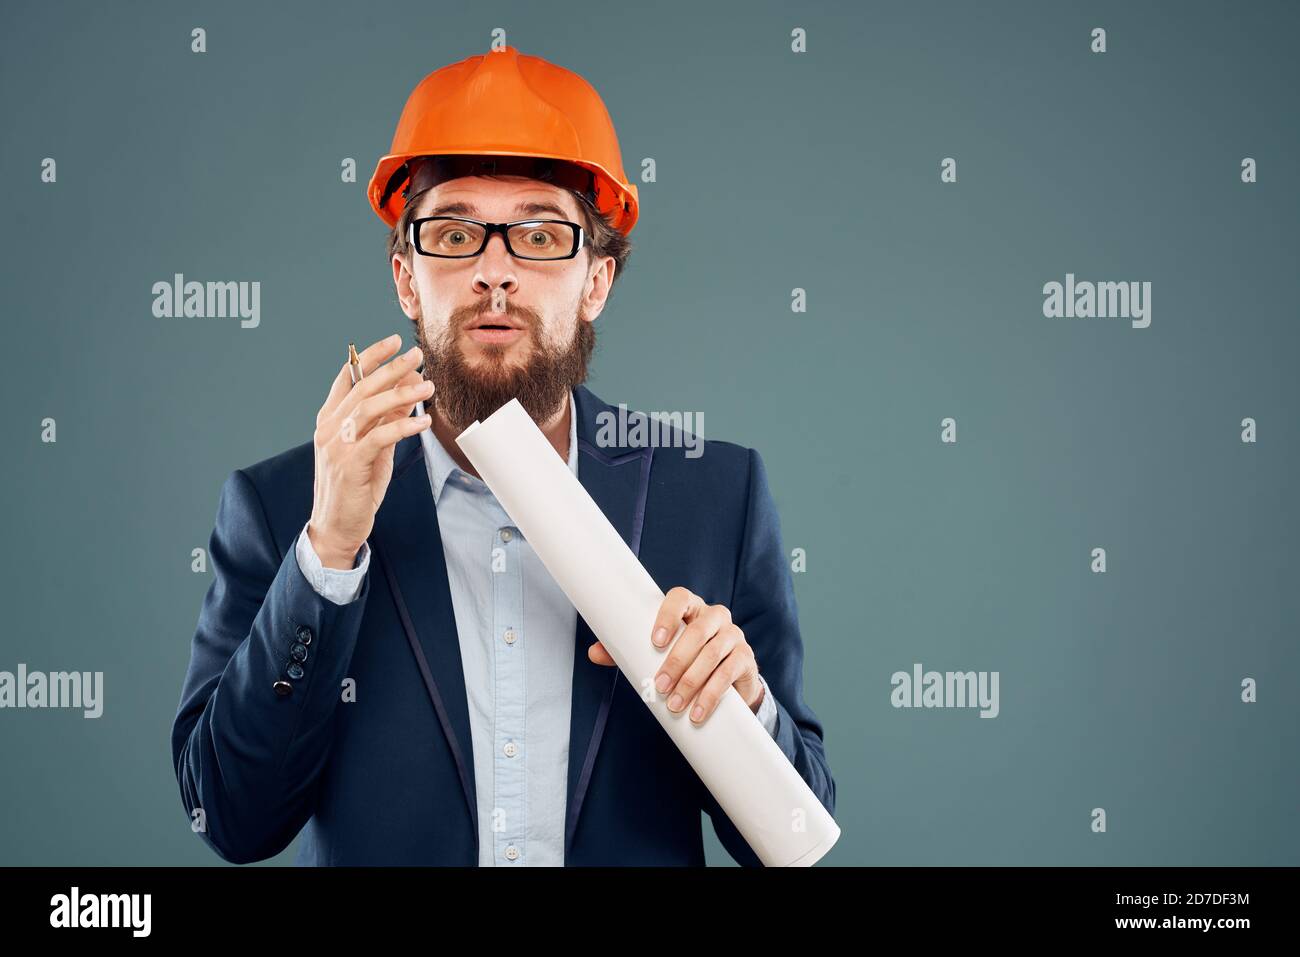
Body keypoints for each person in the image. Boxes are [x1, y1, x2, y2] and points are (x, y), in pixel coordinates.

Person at [171, 45, 835, 866]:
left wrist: (744, 711)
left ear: (597, 279)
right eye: (454, 232)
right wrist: (328, 553)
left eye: (539, 234)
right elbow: (230, 817)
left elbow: (795, 835)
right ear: (407, 278)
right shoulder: (284, 509)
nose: (495, 272)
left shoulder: (714, 495)